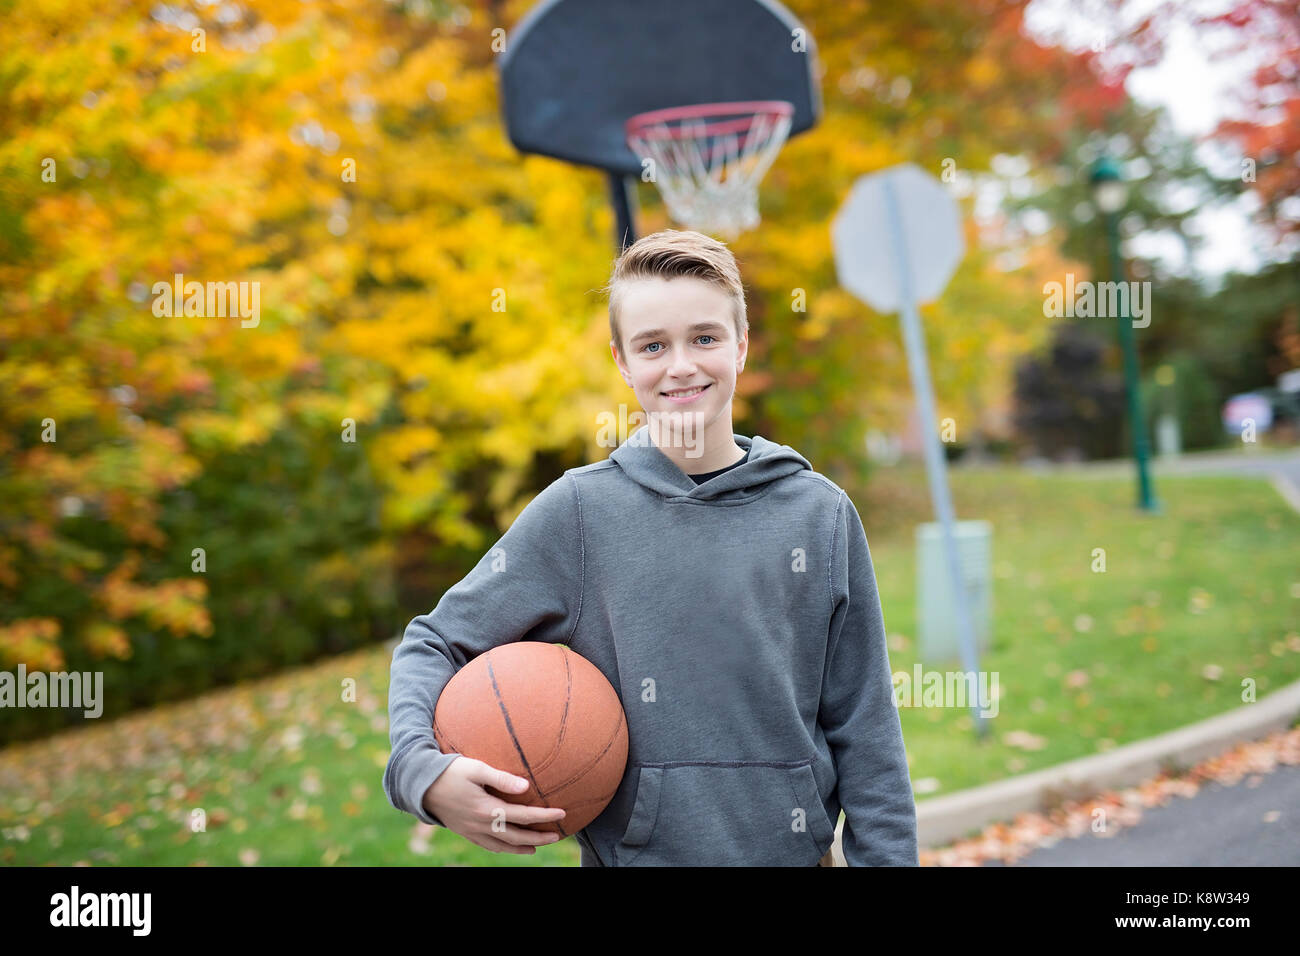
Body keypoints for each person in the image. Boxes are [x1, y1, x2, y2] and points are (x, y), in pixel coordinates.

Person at [384, 229, 918, 866]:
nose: (682, 365)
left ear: (741, 346)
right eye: (654, 345)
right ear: (622, 361)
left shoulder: (818, 514)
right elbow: (434, 641)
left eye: (705, 338)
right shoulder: (581, 514)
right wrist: (423, 775)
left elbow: (867, 727)